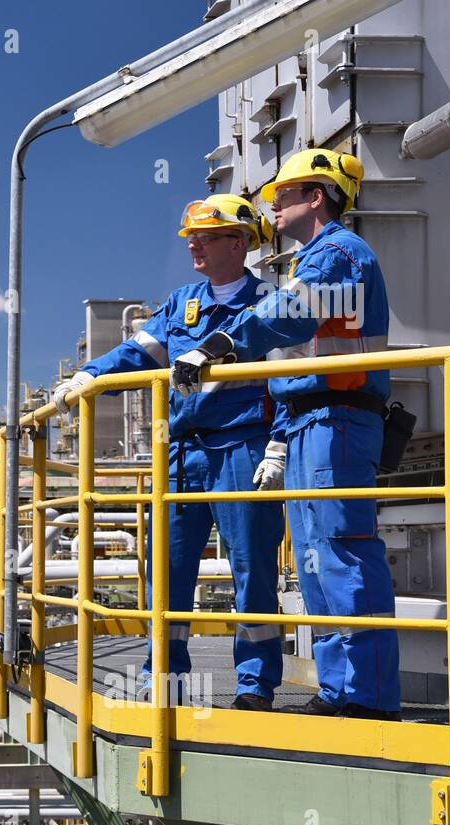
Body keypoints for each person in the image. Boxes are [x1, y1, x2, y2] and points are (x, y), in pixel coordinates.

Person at [170, 148, 400, 720]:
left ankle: (368, 697)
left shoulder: (340, 253)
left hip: (337, 418)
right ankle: (340, 688)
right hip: (307, 421)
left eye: (283, 195)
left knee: (340, 553)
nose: (271, 205)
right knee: (315, 562)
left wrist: (219, 343)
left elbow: (289, 314)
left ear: (315, 197)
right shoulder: (310, 260)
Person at [53, 195, 286, 711]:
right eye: (191, 239)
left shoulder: (272, 302)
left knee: (252, 571)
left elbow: (291, 379)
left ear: (239, 243)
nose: (194, 246)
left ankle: (253, 687)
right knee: (168, 572)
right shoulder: (184, 303)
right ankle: (164, 681)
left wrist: (279, 443)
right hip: (181, 454)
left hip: (243, 446)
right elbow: (138, 352)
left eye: (205, 237)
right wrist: (89, 375)